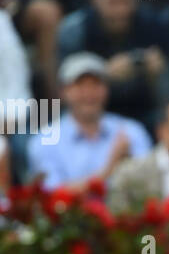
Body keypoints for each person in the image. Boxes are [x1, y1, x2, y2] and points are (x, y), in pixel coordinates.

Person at [58, 0, 169, 129]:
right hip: (94, 108)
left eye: (127, 1)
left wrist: (158, 73)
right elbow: (64, 85)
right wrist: (104, 74)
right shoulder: (74, 30)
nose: (121, 10)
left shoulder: (154, 25)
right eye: (113, 2)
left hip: (143, 107)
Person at [27, 52, 152, 190]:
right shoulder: (44, 140)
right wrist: (109, 169)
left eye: (96, 84)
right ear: (63, 92)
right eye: (80, 85)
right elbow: (53, 198)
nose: (88, 93)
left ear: (107, 89)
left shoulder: (132, 131)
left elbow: (148, 188)